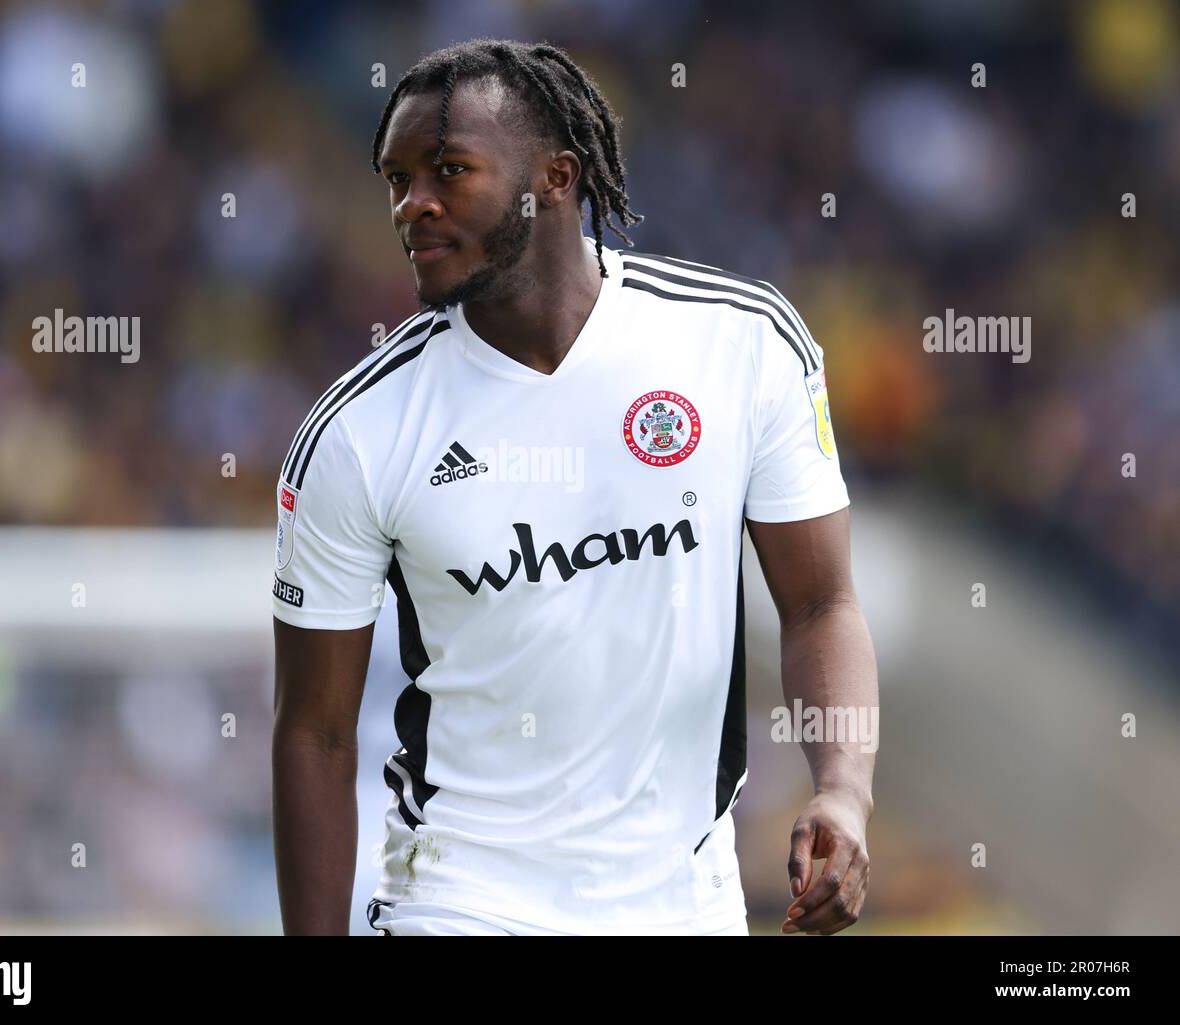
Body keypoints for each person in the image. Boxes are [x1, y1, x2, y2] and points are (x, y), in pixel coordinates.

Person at [272, 38, 877, 937]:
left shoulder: (740, 346)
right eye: (396, 180)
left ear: (555, 177)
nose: (412, 206)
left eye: (448, 170)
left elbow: (821, 603)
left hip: (687, 908)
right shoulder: (359, 432)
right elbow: (313, 733)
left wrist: (843, 793)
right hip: (459, 902)